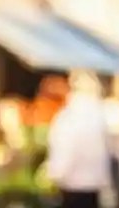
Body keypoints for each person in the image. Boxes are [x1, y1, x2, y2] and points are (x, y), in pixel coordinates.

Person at [46, 72, 112, 208]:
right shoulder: (100, 115)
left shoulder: (68, 117)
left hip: (72, 185)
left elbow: (63, 150)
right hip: (95, 184)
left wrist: (55, 175)